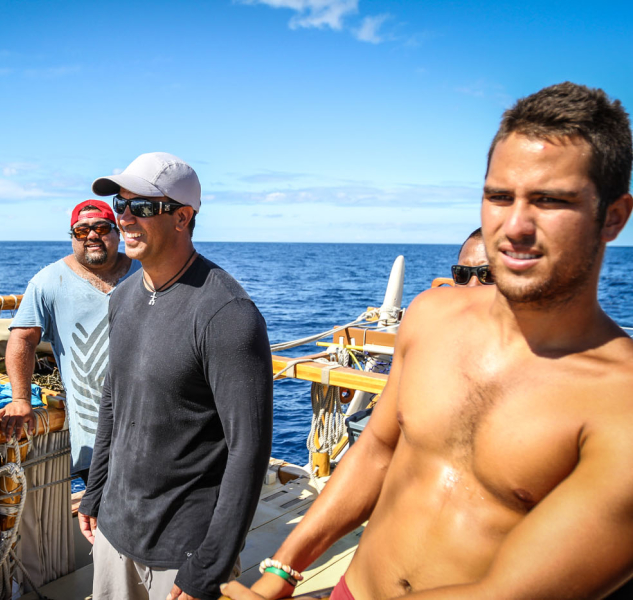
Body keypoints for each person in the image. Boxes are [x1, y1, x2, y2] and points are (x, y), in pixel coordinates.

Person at [223, 82, 633, 600]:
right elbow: (377, 448)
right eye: (499, 196)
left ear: (613, 216)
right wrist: (279, 574)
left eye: (551, 200)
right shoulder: (431, 316)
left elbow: (509, 593)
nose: (515, 226)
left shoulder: (620, 404)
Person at [77, 152, 274, 600]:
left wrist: (211, 562)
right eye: (120, 206)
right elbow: (114, 399)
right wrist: (95, 493)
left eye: (142, 207)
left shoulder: (226, 313)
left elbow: (250, 448)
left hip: (184, 552)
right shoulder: (123, 297)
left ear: (182, 217)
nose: (125, 218)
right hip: (114, 530)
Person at [0, 199, 138, 482]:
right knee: (106, 522)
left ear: (118, 232)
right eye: (81, 231)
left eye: (101, 227)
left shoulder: (147, 274)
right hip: (94, 442)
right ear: (72, 237)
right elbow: (22, 339)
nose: (92, 236)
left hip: (156, 432)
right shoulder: (48, 282)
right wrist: (21, 399)